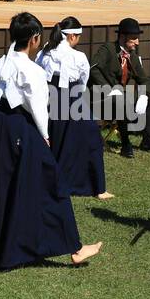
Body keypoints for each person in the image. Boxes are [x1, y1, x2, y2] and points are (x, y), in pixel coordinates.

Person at [0, 13, 102, 270]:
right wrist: (46, 136)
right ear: (35, 39)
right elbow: (38, 109)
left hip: (0, 127)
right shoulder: (32, 70)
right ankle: (75, 248)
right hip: (23, 128)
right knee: (53, 183)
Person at [38, 18, 111, 198]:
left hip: (48, 98)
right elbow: (83, 80)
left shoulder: (45, 52)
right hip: (72, 98)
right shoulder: (78, 56)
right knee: (92, 138)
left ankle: (52, 181)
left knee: (57, 140)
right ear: (71, 36)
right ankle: (97, 188)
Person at [89, 17, 150, 157]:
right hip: (100, 98)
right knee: (123, 101)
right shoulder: (108, 49)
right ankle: (126, 144)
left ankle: (147, 139)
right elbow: (94, 68)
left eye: (137, 38)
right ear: (122, 36)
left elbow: (144, 79)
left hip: (121, 97)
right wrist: (108, 89)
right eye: (133, 38)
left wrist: (144, 95)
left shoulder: (132, 56)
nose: (137, 42)